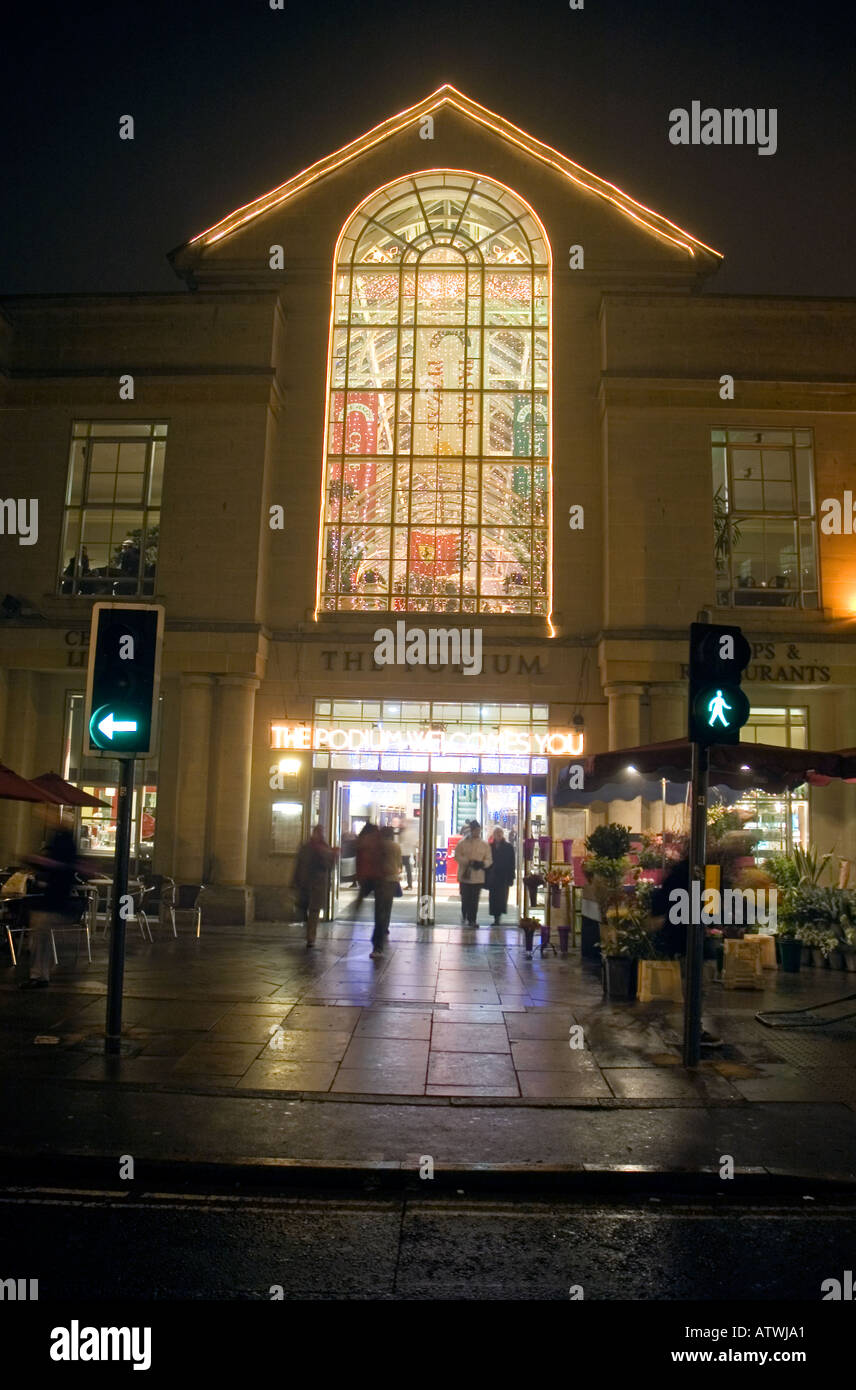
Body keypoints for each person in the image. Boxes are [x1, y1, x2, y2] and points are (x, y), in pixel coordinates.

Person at [648, 857, 722, 1048]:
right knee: (697, 984)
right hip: (686, 938)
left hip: (682, 938)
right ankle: (694, 1030)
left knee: (695, 983)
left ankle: (693, 1027)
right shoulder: (688, 875)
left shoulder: (682, 874)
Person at [20, 811, 84, 989]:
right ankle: (40, 974)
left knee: (40, 933)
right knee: (42, 935)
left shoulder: (62, 841)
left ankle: (38, 975)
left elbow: (58, 866)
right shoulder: (67, 841)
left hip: (53, 900)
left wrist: (39, 861)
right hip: (56, 899)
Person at [292, 825, 334, 947]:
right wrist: (295, 880)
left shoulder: (323, 848)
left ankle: (311, 937)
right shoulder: (306, 847)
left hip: (317, 885)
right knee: (304, 908)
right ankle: (309, 931)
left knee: (314, 910)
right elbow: (299, 864)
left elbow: (329, 865)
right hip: (306, 883)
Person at [370, 825, 401, 959]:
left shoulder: (378, 846)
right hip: (393, 880)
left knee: (380, 907)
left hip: (381, 880)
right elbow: (399, 863)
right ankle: (386, 927)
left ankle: (380, 935)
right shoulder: (396, 846)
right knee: (388, 906)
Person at [454, 820, 492, 927]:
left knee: (474, 900)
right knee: (465, 898)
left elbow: (489, 859)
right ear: (471, 830)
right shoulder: (462, 843)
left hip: (478, 877)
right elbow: (457, 856)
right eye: (475, 830)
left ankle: (472, 920)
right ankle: (464, 913)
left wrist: (482, 864)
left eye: (478, 830)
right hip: (465, 876)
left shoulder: (484, 845)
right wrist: (467, 861)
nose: (477, 832)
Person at [349, 821, 382, 917]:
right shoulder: (375, 840)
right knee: (378, 900)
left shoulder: (361, 841)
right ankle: (380, 921)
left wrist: (357, 875)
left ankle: (354, 914)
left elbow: (359, 860)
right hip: (376, 874)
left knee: (361, 896)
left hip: (364, 873)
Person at [486, 825, 516, 925]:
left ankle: (498, 917)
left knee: (502, 897)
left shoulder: (508, 847)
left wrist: (512, 877)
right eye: (496, 833)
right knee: (493, 897)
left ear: (502, 834)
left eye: (500, 833)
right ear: (493, 835)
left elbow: (512, 863)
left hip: (504, 876)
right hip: (493, 876)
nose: (498, 835)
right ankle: (495, 917)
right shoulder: (489, 847)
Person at [398, 816, 418, 891]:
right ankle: (408, 885)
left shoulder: (408, 832)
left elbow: (414, 842)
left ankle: (409, 885)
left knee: (407, 870)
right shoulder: (405, 831)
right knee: (406, 870)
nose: (402, 824)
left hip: (407, 853)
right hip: (405, 853)